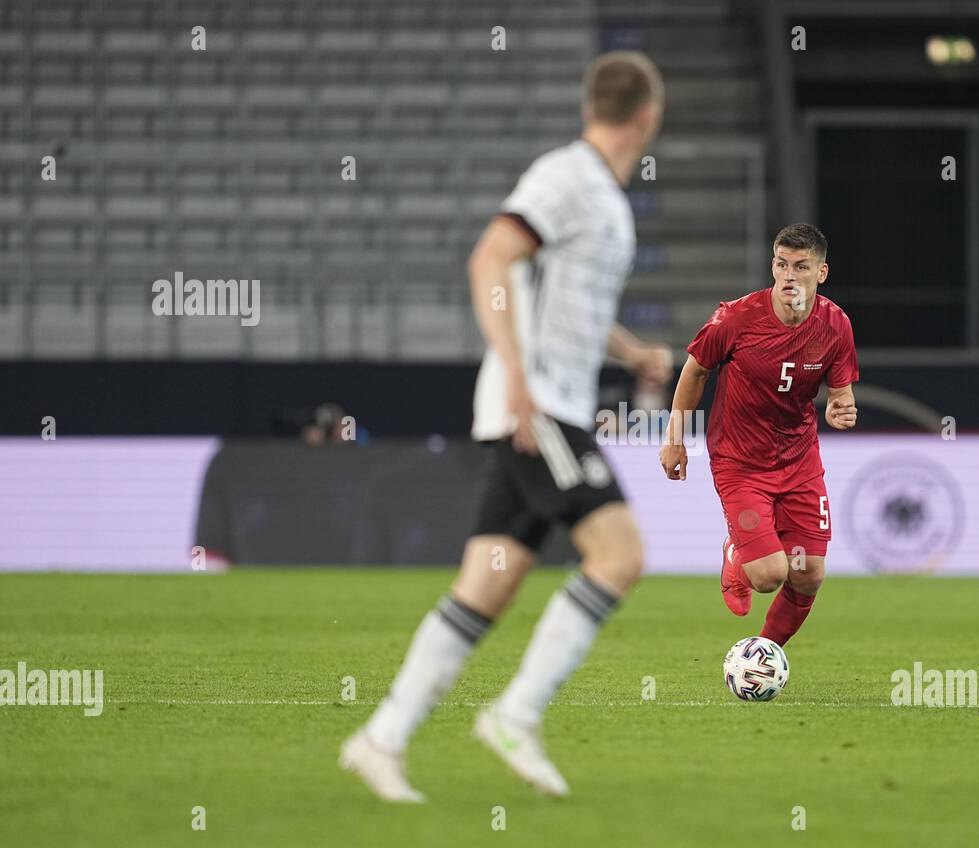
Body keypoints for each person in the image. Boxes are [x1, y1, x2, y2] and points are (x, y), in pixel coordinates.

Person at [341, 51, 669, 801]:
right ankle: (516, 713)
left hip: (552, 401)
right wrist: (516, 374)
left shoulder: (604, 199)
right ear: (648, 116)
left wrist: (632, 353)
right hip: (539, 408)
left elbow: (570, 300)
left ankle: (380, 737)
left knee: (486, 584)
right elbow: (490, 256)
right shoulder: (565, 177)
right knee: (619, 555)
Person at [658, 223, 858, 645]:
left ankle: (762, 656)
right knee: (769, 576)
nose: (789, 276)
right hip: (741, 462)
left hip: (800, 461)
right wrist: (675, 437)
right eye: (782, 265)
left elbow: (840, 394)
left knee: (808, 574)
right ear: (773, 266)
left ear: (821, 273)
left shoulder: (836, 325)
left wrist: (841, 409)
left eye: (801, 267)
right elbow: (695, 369)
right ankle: (735, 550)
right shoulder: (736, 318)